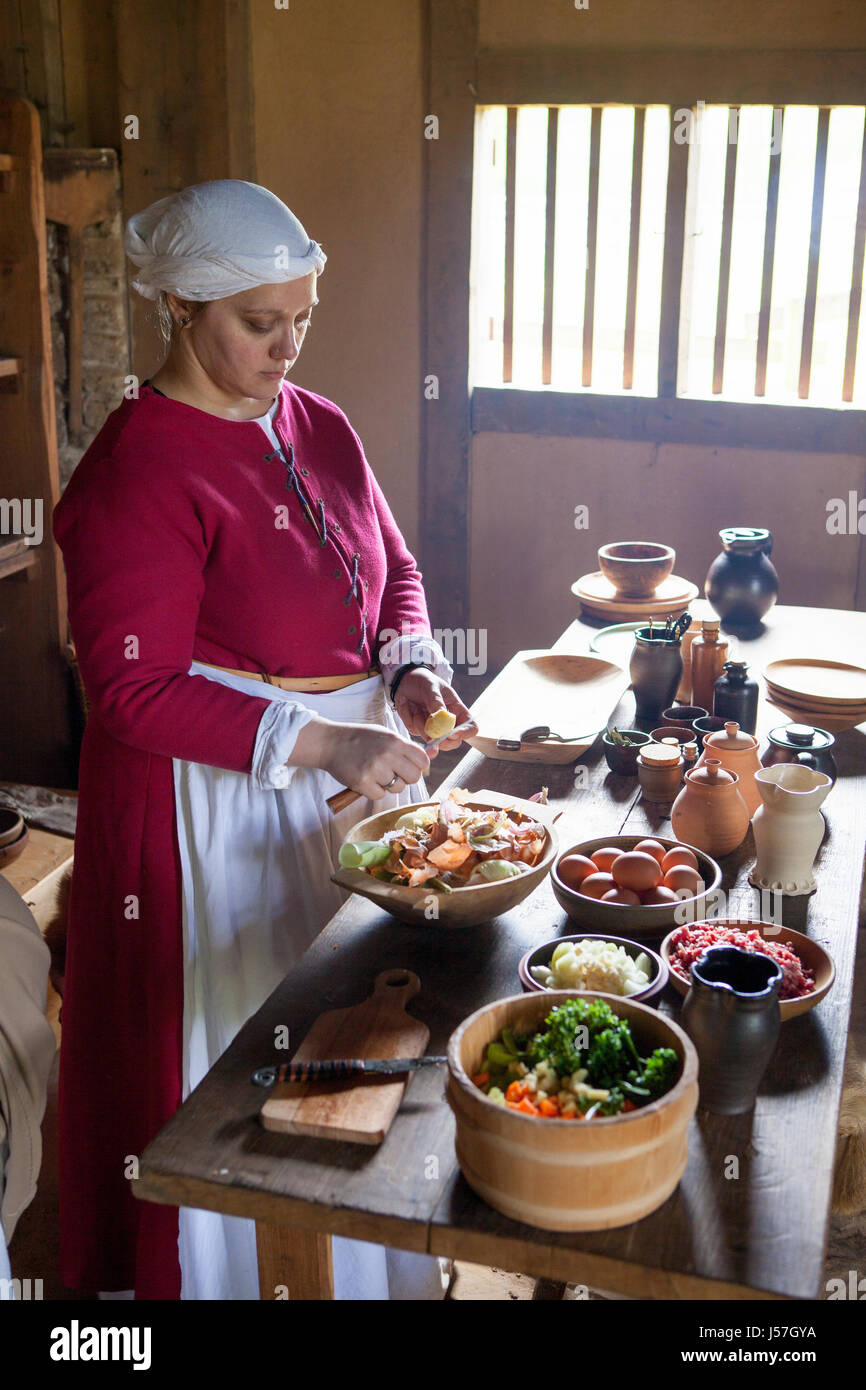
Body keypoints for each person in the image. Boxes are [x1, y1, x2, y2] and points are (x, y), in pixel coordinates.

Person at [52, 179, 477, 1300]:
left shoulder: (317, 423)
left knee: (357, 1046)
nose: (287, 344)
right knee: (247, 1060)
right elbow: (131, 693)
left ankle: (363, 1268)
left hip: (336, 774)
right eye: (258, 322)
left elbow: (397, 571)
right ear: (183, 309)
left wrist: (410, 664)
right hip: (213, 809)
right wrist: (325, 741)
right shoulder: (135, 471)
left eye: (302, 316)